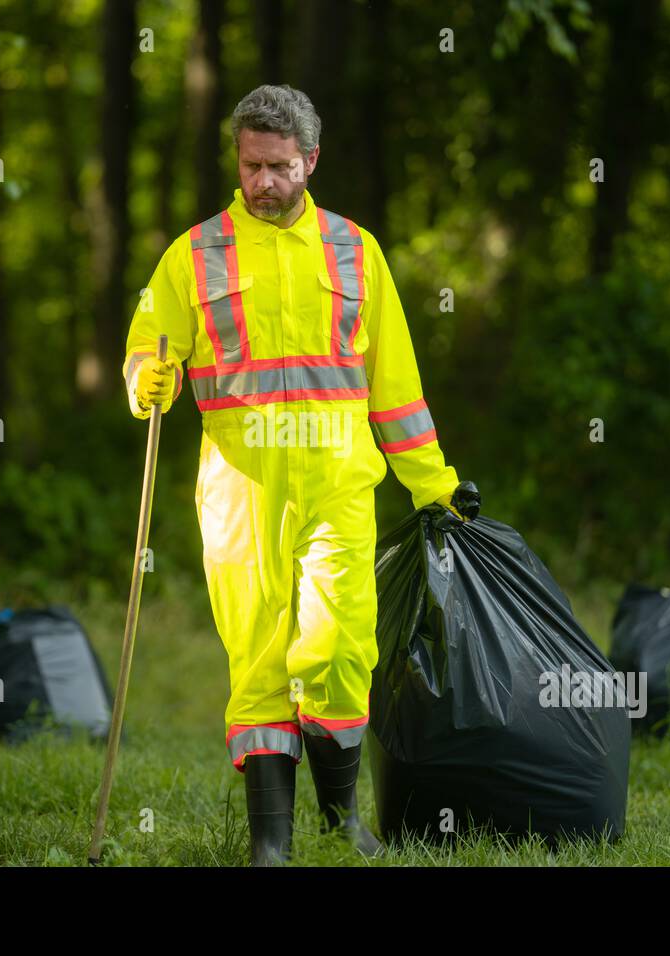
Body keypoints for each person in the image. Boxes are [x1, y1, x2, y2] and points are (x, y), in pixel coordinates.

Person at [121, 84, 475, 865]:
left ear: (311, 161)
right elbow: (149, 344)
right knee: (258, 660)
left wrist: (434, 485)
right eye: (251, 166)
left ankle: (341, 822)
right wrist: (147, 378)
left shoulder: (357, 251)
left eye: (279, 167)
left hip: (337, 487)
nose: (263, 182)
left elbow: (395, 388)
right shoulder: (192, 255)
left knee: (338, 650)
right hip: (239, 494)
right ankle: (270, 845)